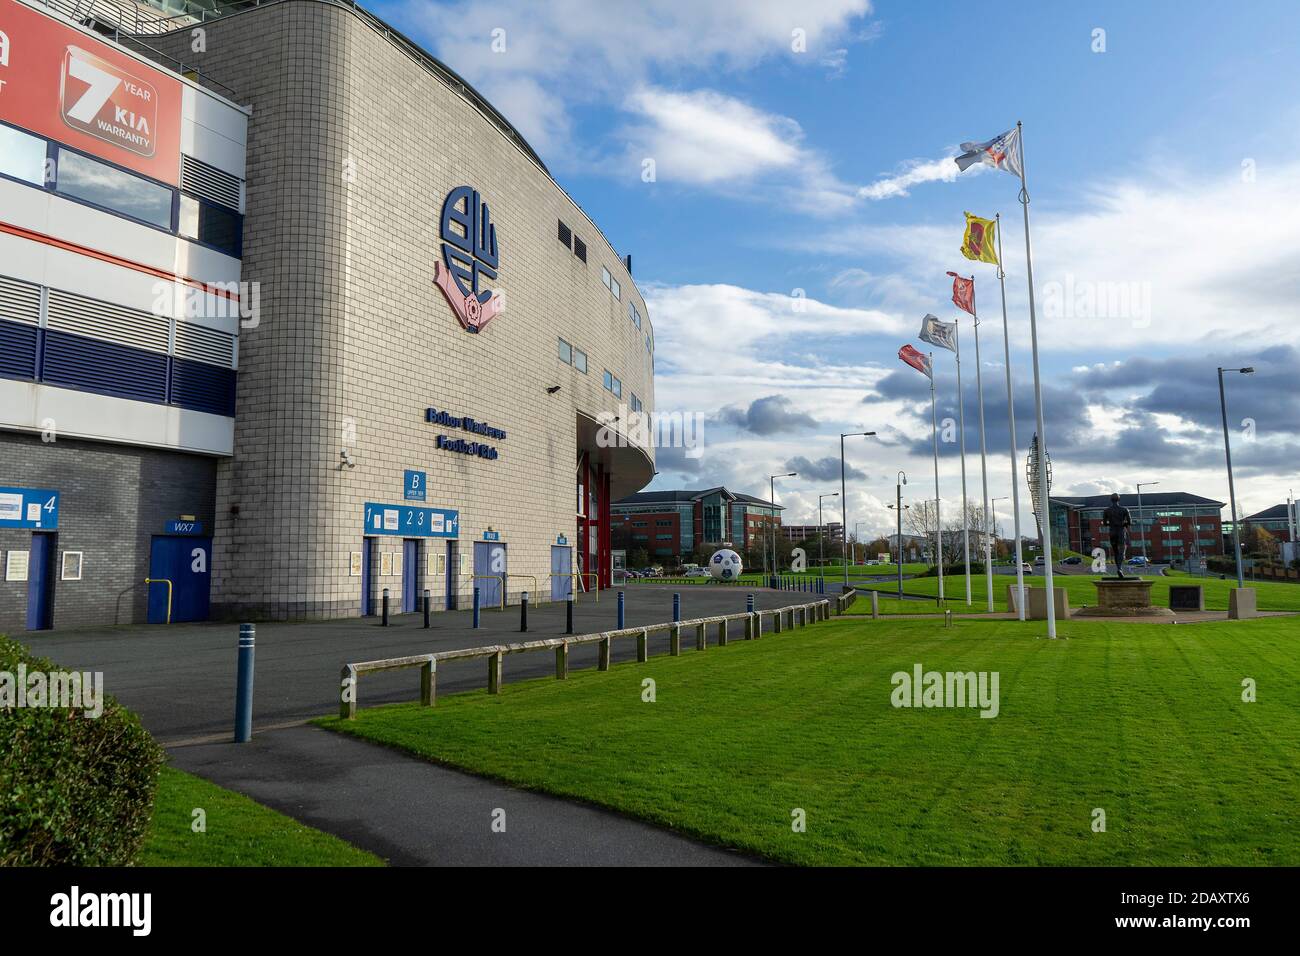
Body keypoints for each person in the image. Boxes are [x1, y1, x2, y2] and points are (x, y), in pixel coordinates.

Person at [1099, 493, 1132, 578]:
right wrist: (1123, 523)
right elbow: (1130, 522)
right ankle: (1119, 569)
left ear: (1111, 500)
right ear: (1119, 500)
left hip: (1112, 532)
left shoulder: (1106, 510)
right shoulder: (1124, 509)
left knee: (1116, 552)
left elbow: (1105, 523)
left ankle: (1119, 568)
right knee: (1121, 551)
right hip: (1121, 531)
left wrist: (1111, 523)